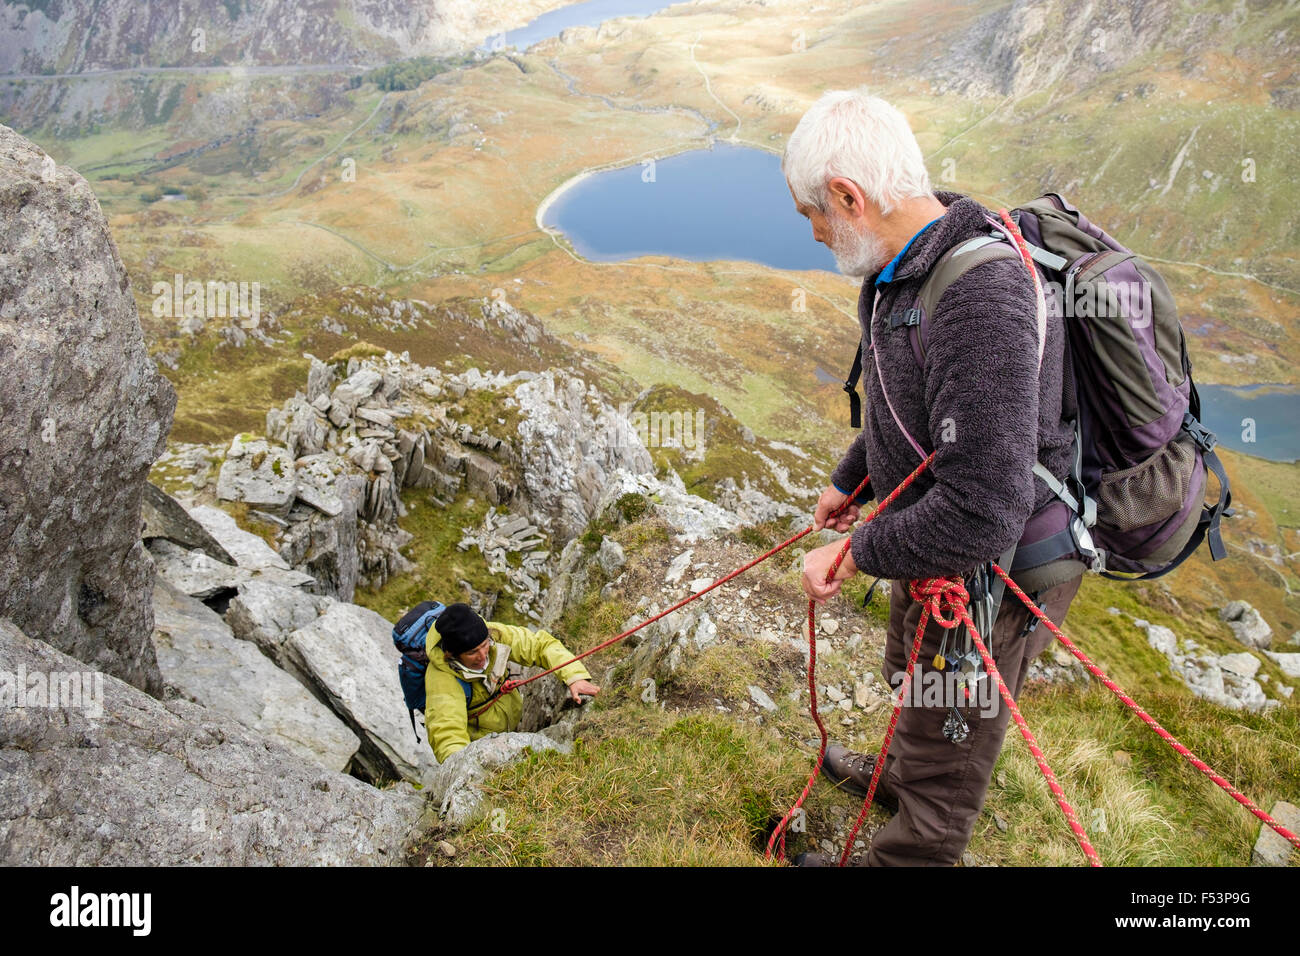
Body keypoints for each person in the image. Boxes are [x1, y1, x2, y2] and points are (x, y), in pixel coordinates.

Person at [782, 88, 1085, 866]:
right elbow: (905, 405)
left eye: (811, 214)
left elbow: (984, 508)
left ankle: (913, 840)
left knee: (953, 734)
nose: (815, 234)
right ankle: (898, 774)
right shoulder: (908, 262)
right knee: (913, 677)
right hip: (931, 537)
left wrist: (851, 554)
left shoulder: (979, 293)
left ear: (849, 196)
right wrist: (853, 480)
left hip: (998, 565)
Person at [424, 603, 601, 762]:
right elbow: (448, 734)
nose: (483, 655)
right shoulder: (442, 679)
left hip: (510, 728)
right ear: (453, 654)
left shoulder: (495, 634)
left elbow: (539, 645)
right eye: (472, 652)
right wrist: (468, 770)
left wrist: (575, 676)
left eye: (485, 645)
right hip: (482, 751)